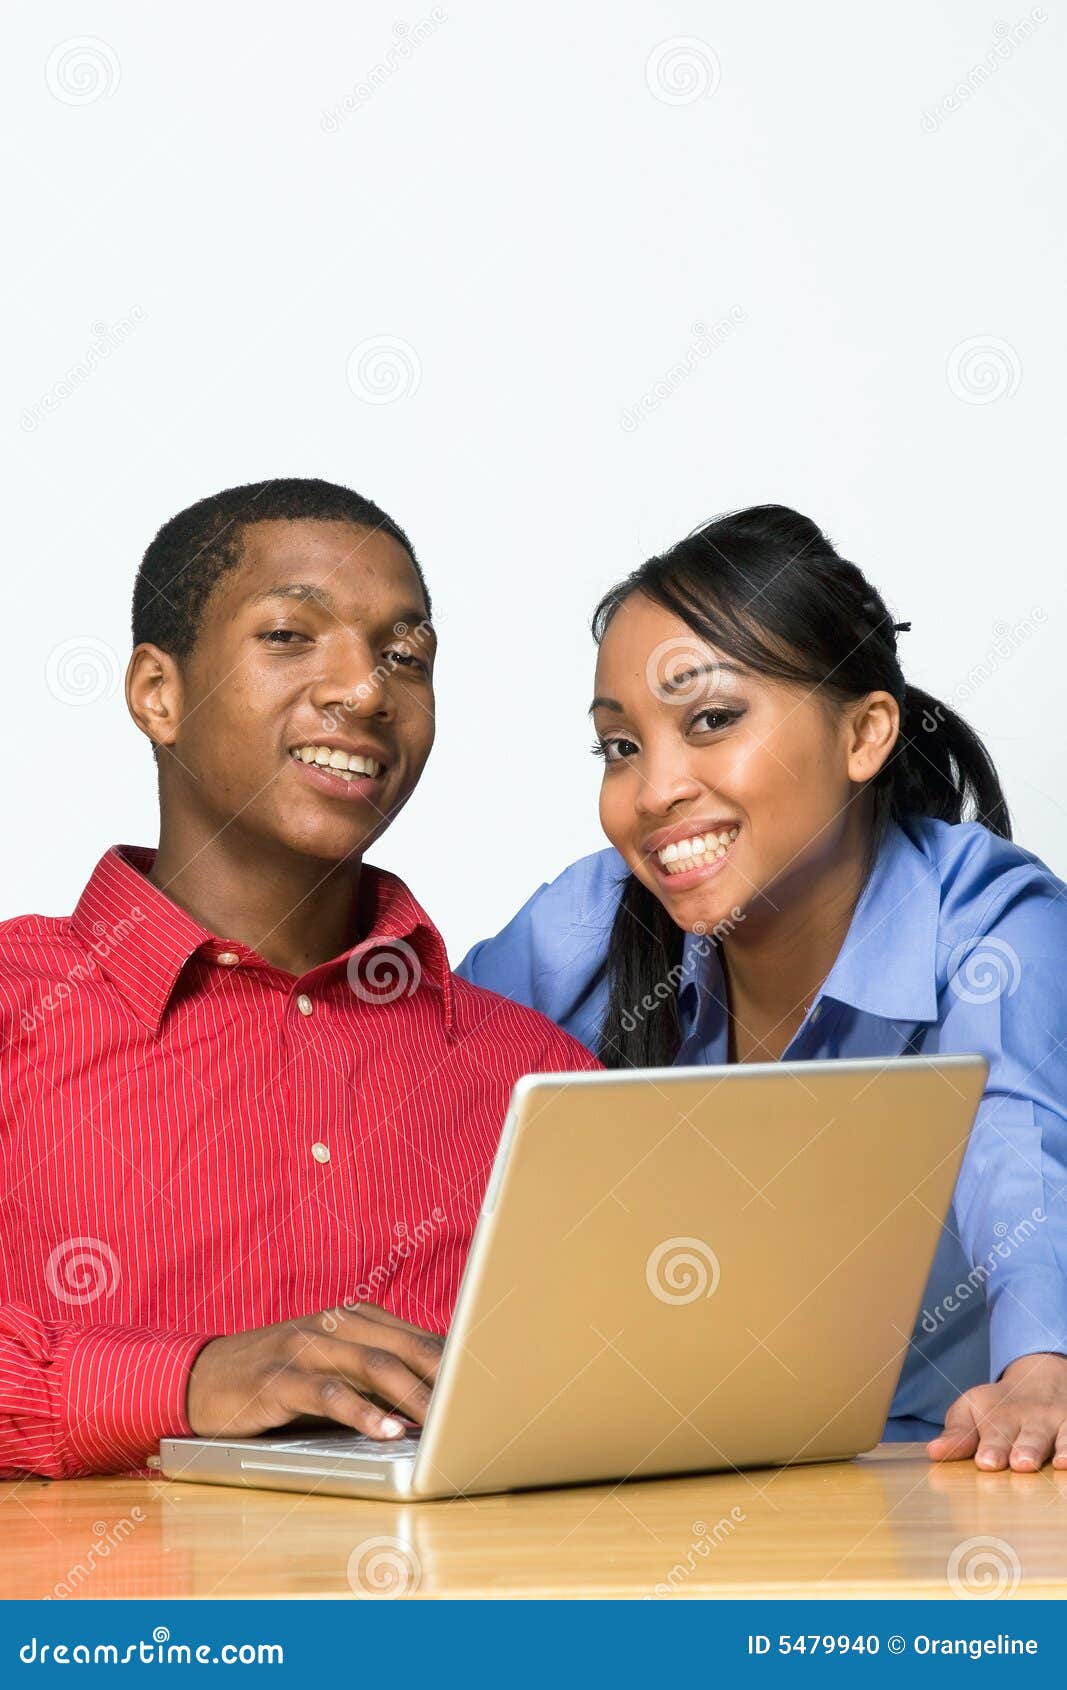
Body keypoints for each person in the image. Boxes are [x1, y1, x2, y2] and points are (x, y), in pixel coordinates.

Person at [0, 478, 598, 1479]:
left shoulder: (540, 1076)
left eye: (405, 655)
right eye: (289, 635)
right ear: (158, 693)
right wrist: (188, 1382)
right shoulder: (15, 1006)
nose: (365, 689)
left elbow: (631, 1402)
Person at [458, 503, 1067, 1473]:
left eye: (711, 720)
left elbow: (1017, 1145)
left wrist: (1040, 1371)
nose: (652, 791)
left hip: (936, 1477)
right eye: (619, 747)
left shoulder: (989, 921)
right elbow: (417, 1078)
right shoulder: (591, 916)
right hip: (660, 1475)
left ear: (863, 733)